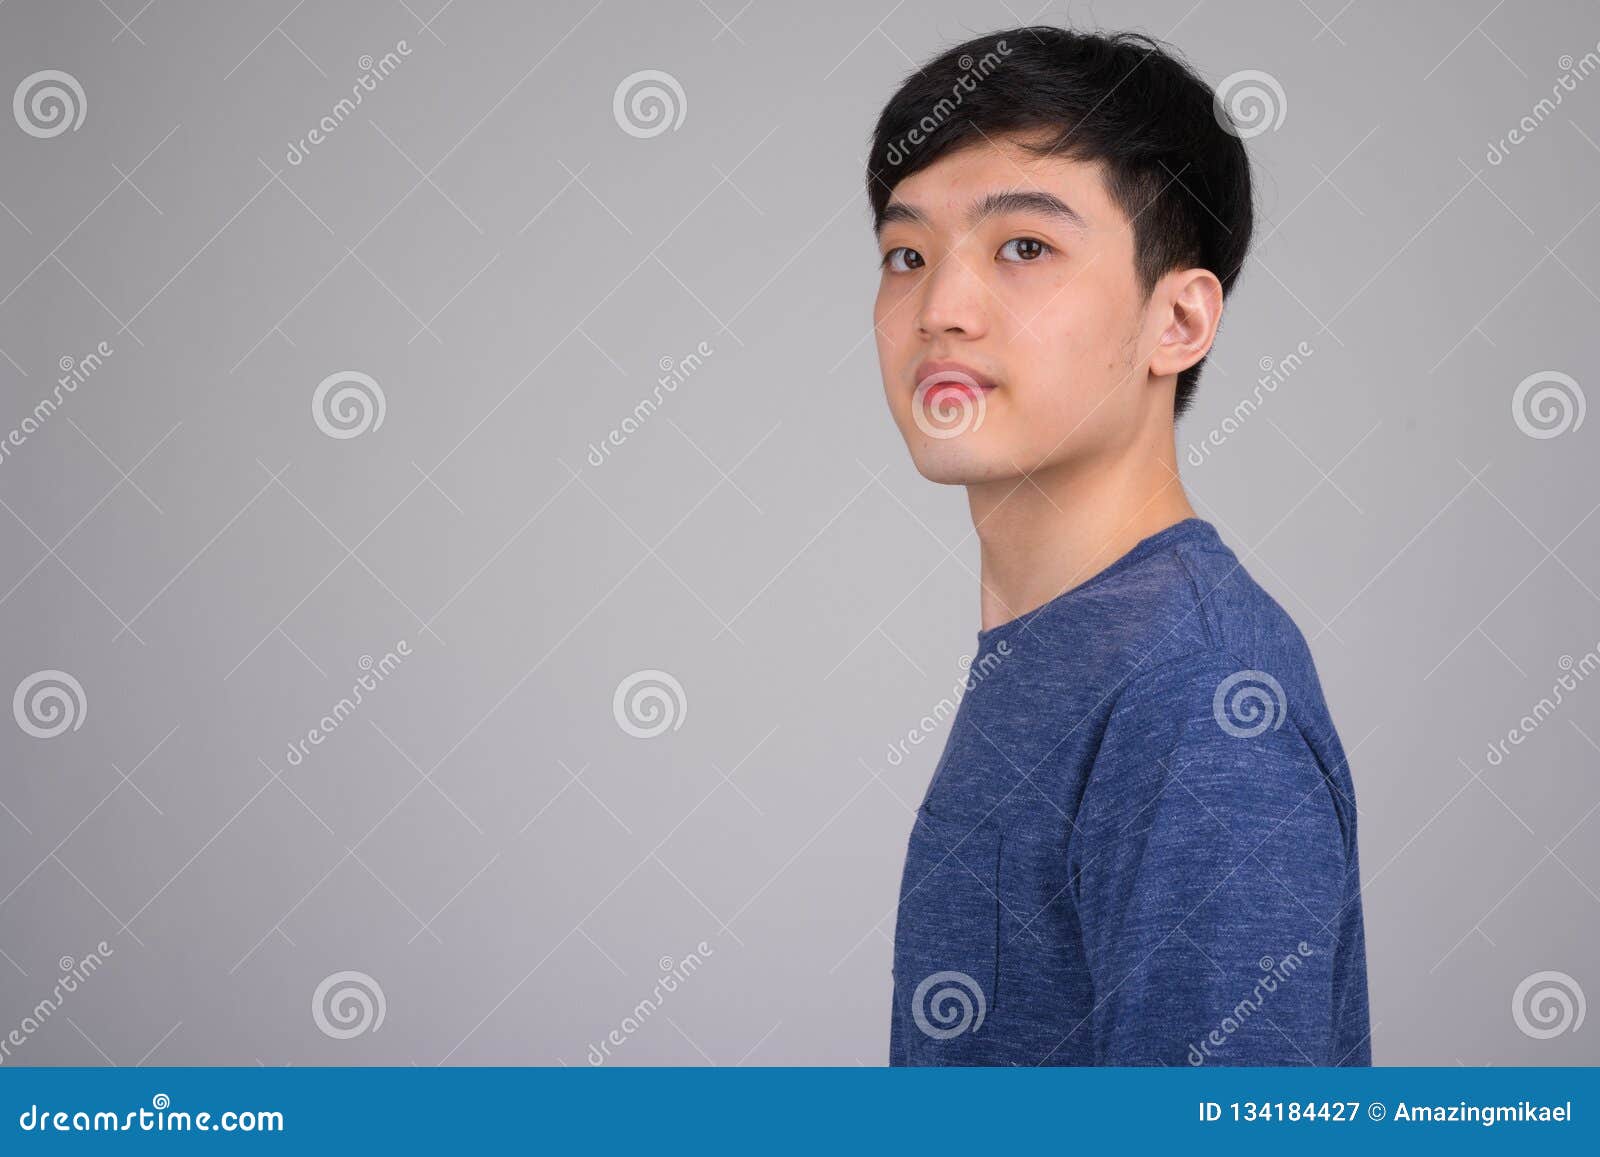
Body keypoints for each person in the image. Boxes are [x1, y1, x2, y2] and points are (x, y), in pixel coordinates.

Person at [869, 26, 1371, 1066]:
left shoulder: (1196, 694)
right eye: (906, 255)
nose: (939, 310)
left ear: (1178, 320)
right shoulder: (1069, 647)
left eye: (1023, 248)